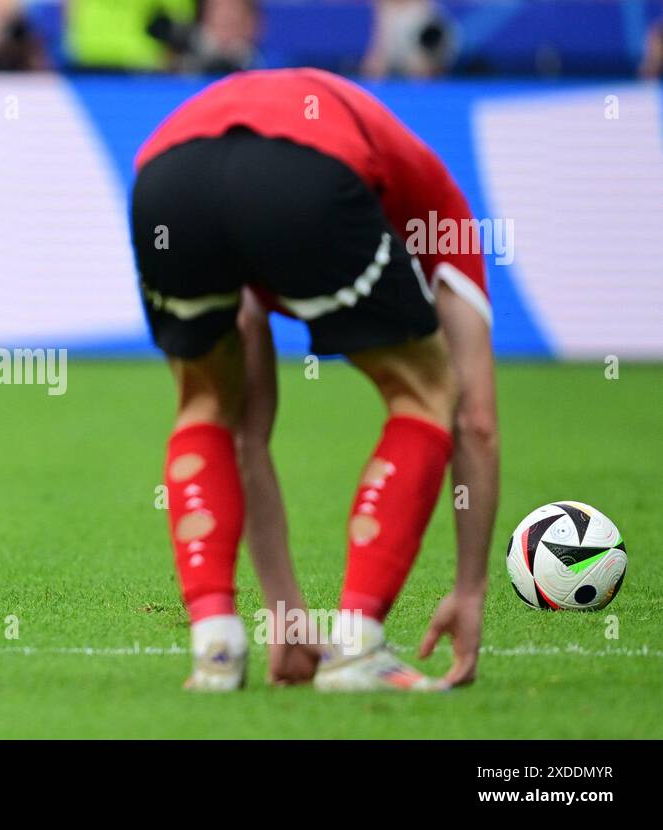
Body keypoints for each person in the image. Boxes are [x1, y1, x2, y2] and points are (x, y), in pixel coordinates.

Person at [130, 68, 497, 691]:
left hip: (167, 178)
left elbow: (248, 435)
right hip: (305, 175)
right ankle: (357, 643)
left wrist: (285, 611)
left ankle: (215, 645)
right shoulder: (443, 212)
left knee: (208, 403)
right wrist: (469, 587)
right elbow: (476, 422)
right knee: (427, 391)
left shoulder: (302, 151)